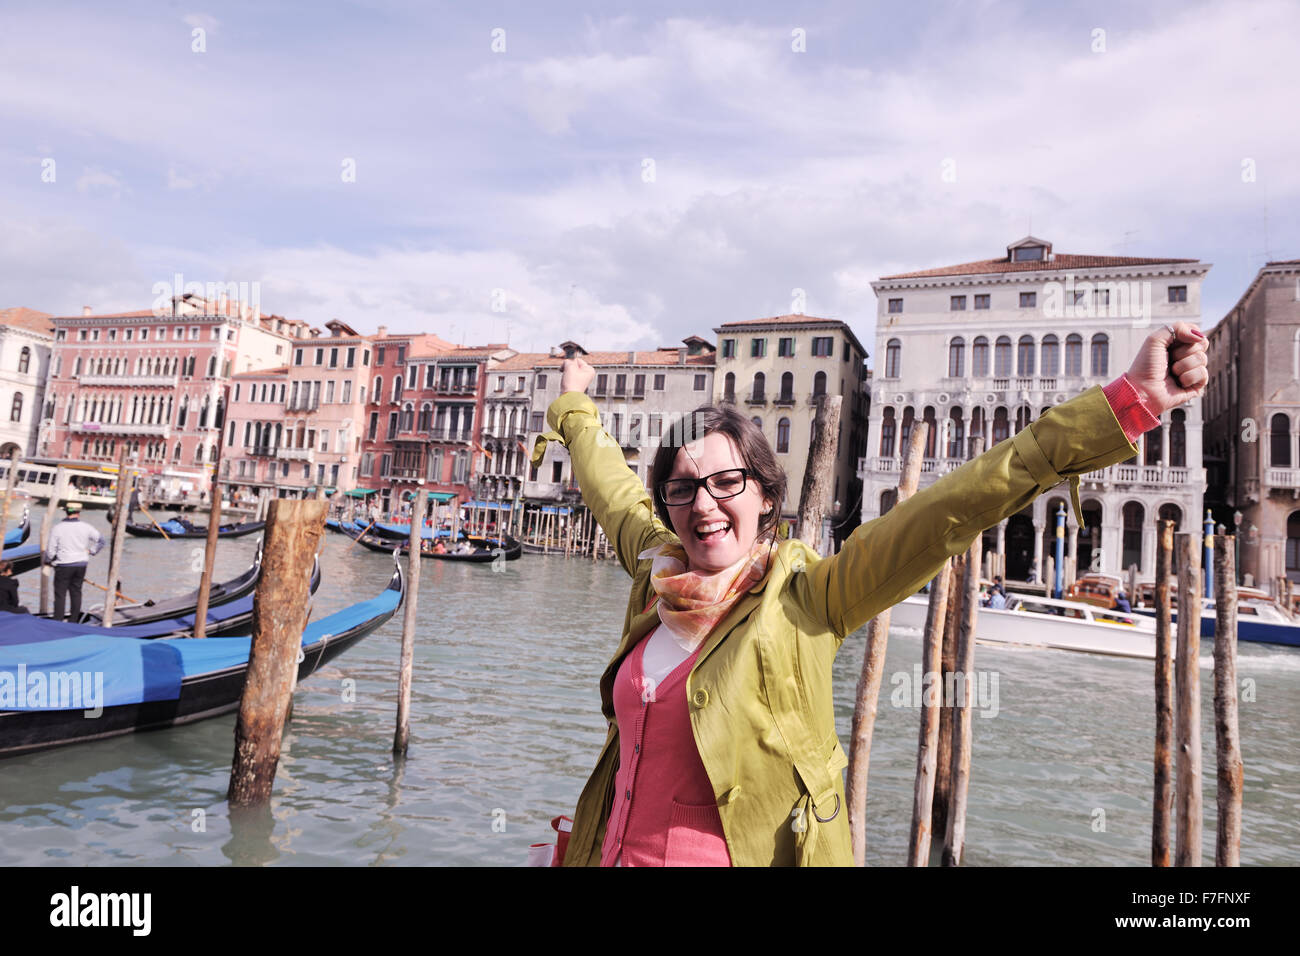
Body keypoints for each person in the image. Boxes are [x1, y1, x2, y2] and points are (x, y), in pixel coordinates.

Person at [534, 322, 1208, 867]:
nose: (703, 504)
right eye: (682, 488)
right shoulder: (656, 570)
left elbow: (957, 505)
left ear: (767, 495)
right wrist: (573, 401)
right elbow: (606, 482)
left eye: (727, 483)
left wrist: (1129, 402)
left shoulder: (813, 598)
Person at [44, 501, 105, 622]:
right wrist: (91, 551)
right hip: (81, 564)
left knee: (60, 594)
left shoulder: (58, 528)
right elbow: (101, 541)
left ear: (66, 512)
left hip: (63, 564)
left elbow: (50, 551)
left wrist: (48, 561)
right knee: (76, 592)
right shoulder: (86, 527)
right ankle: (73, 621)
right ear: (79, 513)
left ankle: (58, 620)